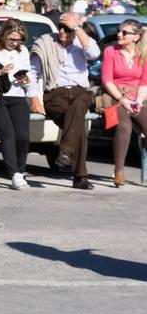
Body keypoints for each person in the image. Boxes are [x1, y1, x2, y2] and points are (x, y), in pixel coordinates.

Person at [31, 12, 100, 190]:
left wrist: (77, 28)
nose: (61, 31)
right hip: (55, 93)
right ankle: (79, 177)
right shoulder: (46, 43)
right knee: (77, 127)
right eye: (59, 26)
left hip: (80, 92)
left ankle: (66, 152)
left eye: (67, 28)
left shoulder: (81, 43)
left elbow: (94, 53)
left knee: (79, 105)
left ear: (75, 29)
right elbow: (33, 74)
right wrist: (34, 99)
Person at [0, 19, 41, 190]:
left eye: (19, 39)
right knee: (7, 133)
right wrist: (0, 71)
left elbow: (28, 78)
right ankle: (14, 174)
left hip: (17, 95)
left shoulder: (23, 50)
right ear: (3, 35)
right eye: (11, 39)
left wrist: (25, 80)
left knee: (23, 136)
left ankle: (20, 170)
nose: (15, 43)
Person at [98, 19, 147, 187]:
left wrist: (139, 100)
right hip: (114, 95)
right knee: (124, 126)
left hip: (137, 95)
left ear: (136, 37)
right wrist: (122, 99)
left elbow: (144, 82)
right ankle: (119, 170)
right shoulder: (111, 51)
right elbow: (106, 80)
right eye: (119, 31)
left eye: (125, 32)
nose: (120, 34)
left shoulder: (143, 53)